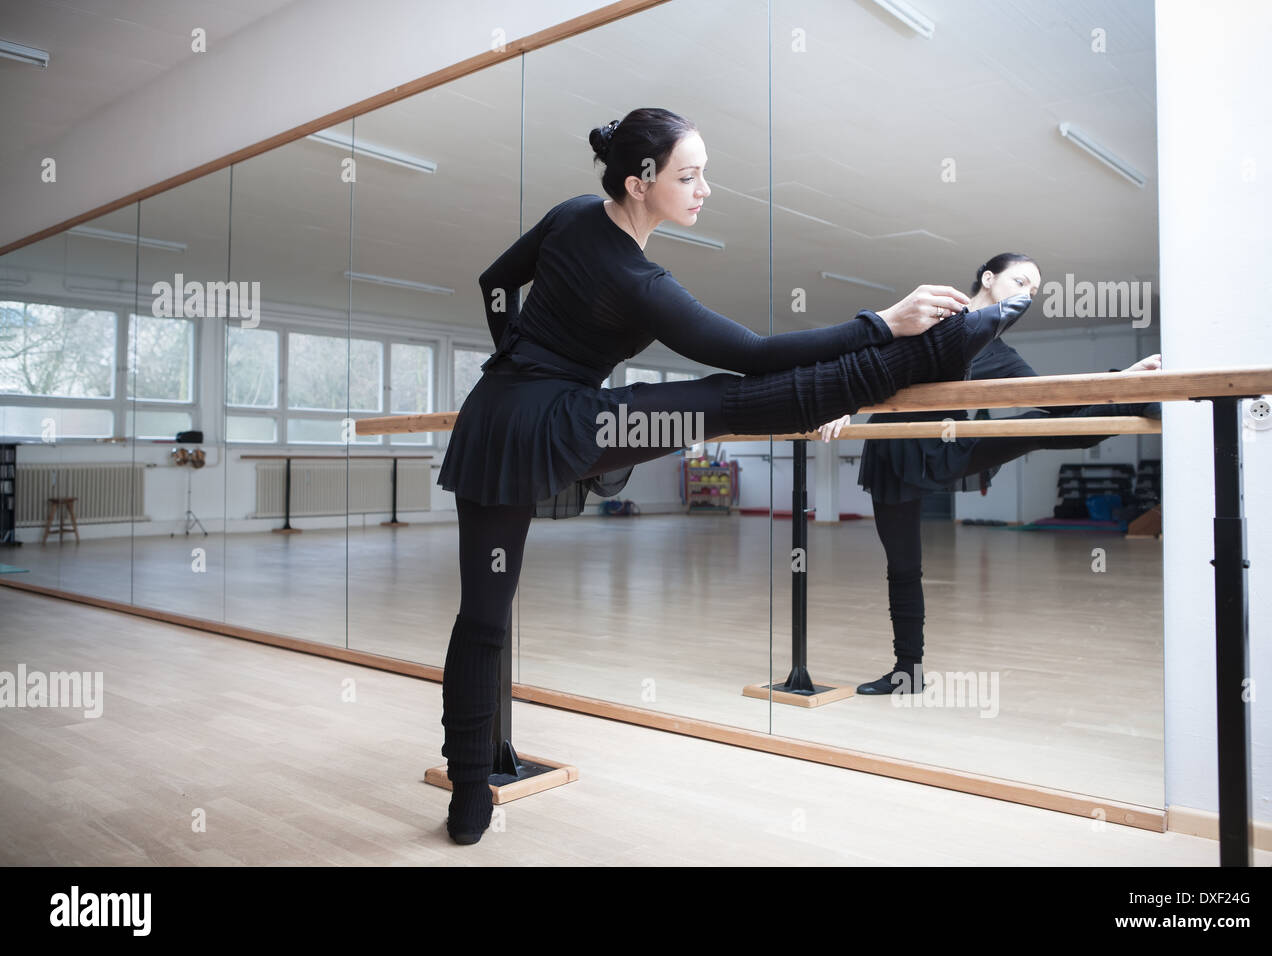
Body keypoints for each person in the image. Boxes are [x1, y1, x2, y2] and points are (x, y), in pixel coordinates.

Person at [434, 107, 1030, 844]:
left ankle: (468, 793)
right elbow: (752, 352)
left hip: (494, 417)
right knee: (730, 400)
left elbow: (496, 282)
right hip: (562, 417)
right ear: (640, 181)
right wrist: (881, 321)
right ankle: (925, 353)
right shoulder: (637, 278)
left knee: (483, 617)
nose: (704, 188)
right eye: (689, 176)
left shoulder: (572, 216)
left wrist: (518, 358)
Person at [814, 252, 1161, 695]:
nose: (1027, 295)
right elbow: (876, 362)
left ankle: (1134, 398)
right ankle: (909, 671)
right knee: (903, 566)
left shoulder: (997, 352)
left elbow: (1059, 402)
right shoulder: (935, 319)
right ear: (988, 278)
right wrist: (841, 403)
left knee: (1041, 424)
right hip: (894, 453)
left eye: (1034, 291)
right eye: (1020, 282)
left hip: (948, 447)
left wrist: (1124, 381)